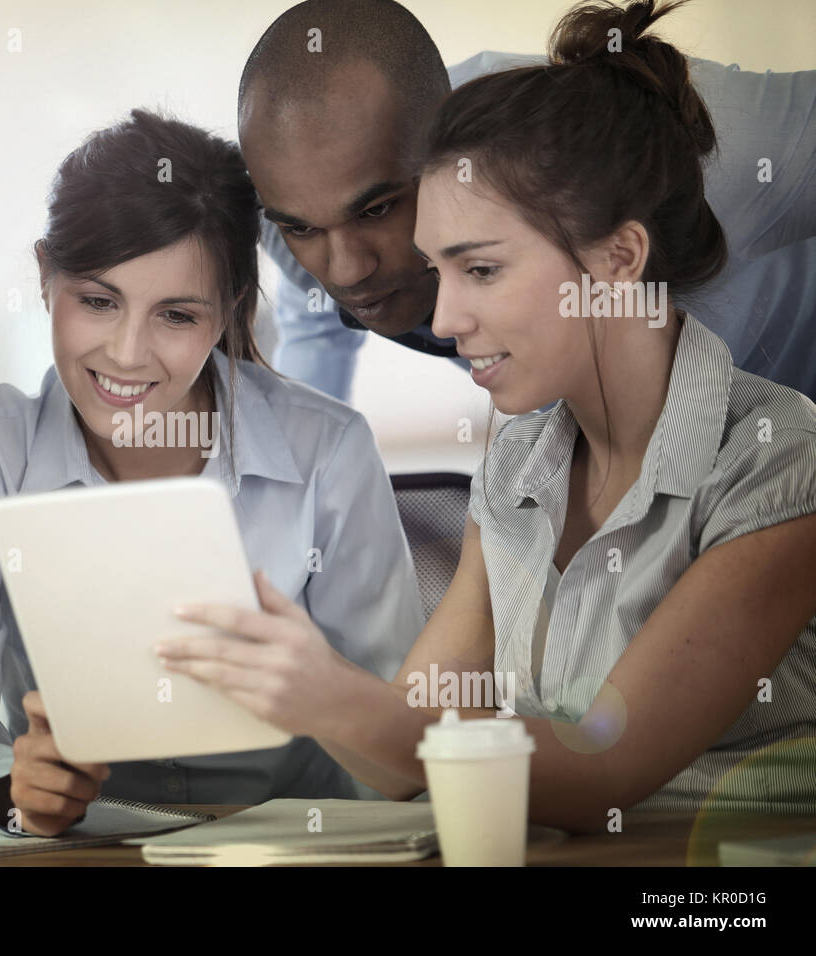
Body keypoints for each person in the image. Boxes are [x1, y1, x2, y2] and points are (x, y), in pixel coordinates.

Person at [158, 0, 816, 829]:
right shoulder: (519, 456)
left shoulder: (779, 461)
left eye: (482, 271)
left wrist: (337, 698)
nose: (438, 321)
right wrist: (260, 687)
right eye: (441, 270)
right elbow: (416, 742)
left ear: (618, 257)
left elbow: (604, 762)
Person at [0, 109, 425, 837]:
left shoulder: (327, 450)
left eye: (176, 316)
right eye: (98, 301)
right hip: (86, 849)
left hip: (292, 845)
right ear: (47, 276)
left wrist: (326, 697)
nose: (126, 354)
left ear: (229, 311)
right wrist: (11, 793)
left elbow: (401, 748)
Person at [240, 0, 816, 403]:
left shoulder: (647, 137)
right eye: (301, 228)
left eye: (377, 210)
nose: (346, 271)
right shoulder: (293, 208)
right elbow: (315, 326)